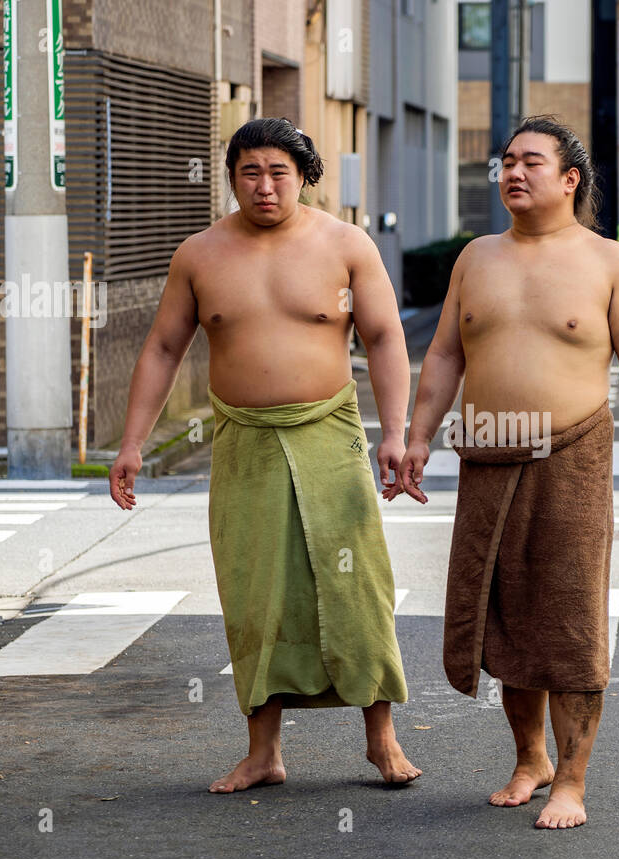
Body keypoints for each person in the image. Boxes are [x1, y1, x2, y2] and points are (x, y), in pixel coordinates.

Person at [109, 117, 421, 792]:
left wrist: (394, 432)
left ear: (304, 177)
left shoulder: (345, 246)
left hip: (329, 431)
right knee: (254, 591)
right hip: (243, 439)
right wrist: (132, 443)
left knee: (357, 583)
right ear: (231, 178)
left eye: (279, 172)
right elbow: (163, 348)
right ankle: (264, 752)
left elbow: (385, 338)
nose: (265, 186)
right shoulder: (199, 254)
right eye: (250, 171)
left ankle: (382, 738)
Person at [387, 115, 619, 828]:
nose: (512, 172)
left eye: (530, 162)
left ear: (569, 179)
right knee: (504, 617)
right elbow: (445, 354)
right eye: (506, 161)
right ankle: (529, 758)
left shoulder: (611, 263)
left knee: (568, 621)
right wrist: (417, 436)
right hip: (486, 456)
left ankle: (572, 780)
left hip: (572, 456)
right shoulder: (475, 257)